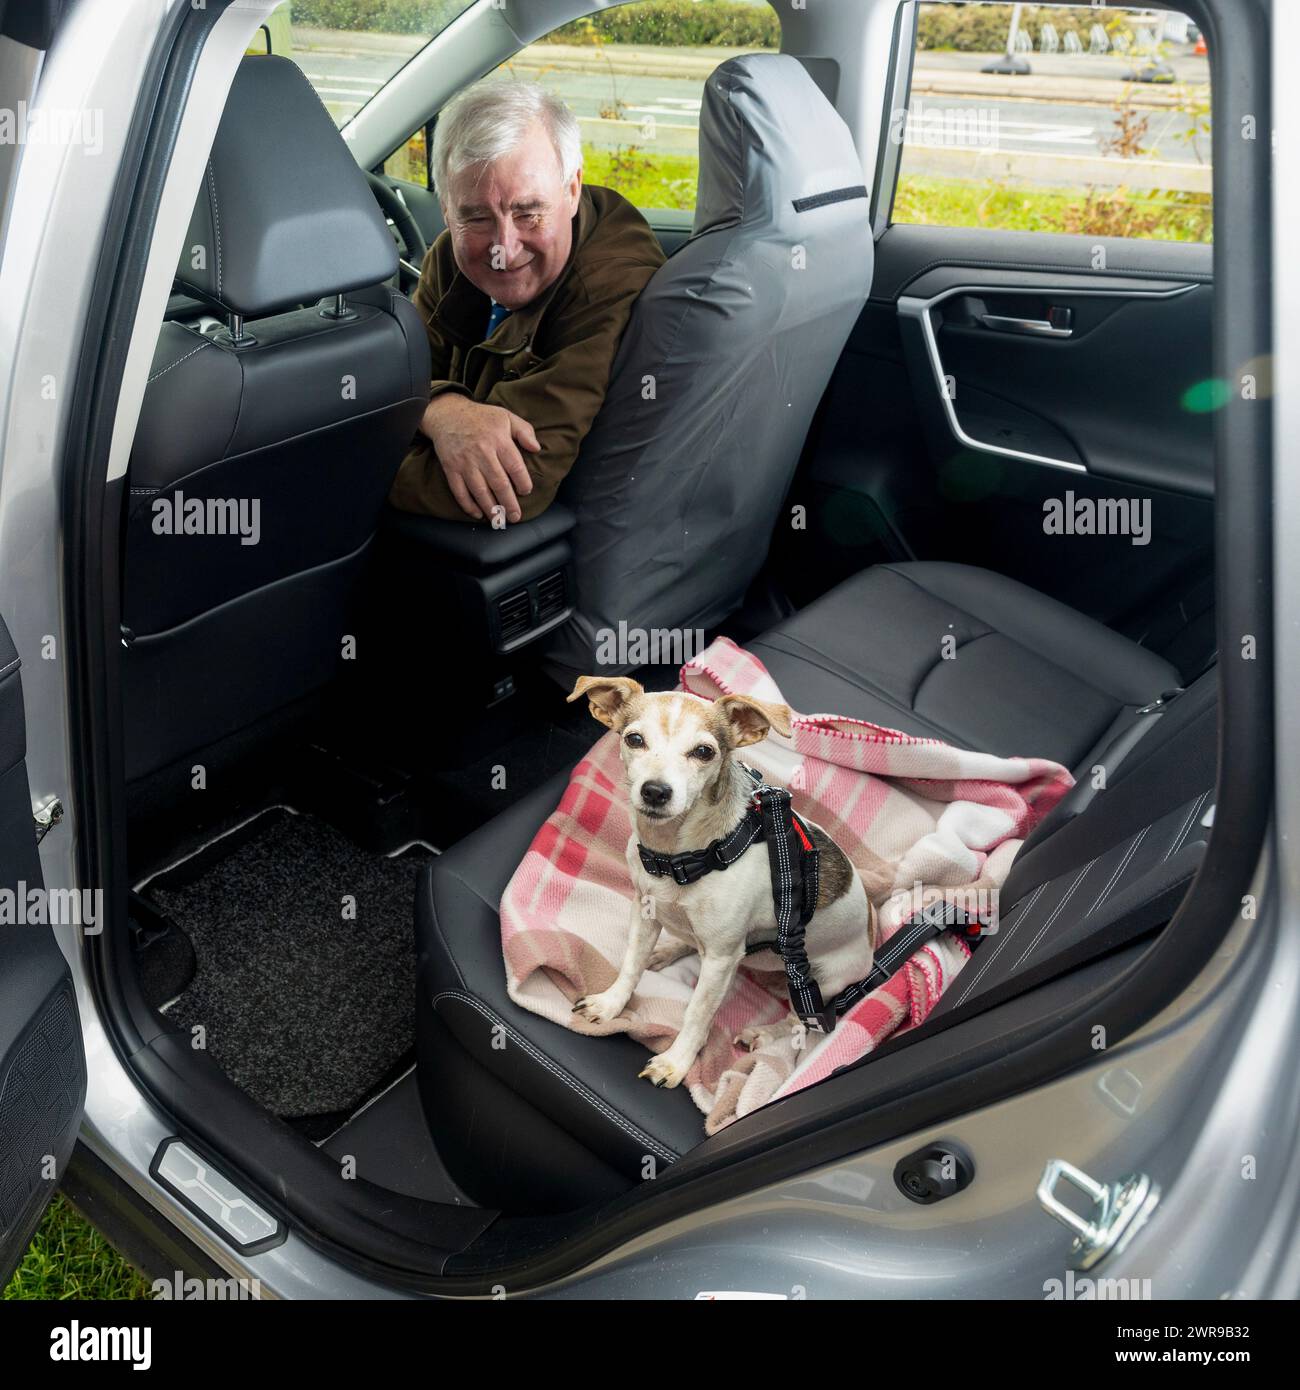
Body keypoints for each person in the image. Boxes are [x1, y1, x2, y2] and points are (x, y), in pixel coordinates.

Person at [388, 79, 666, 525]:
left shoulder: (609, 287)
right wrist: (443, 411)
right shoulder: (453, 254)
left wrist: (337, 465)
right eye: (476, 216)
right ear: (446, 210)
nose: (505, 248)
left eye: (528, 212)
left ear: (572, 190)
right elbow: (398, 377)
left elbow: (509, 487)